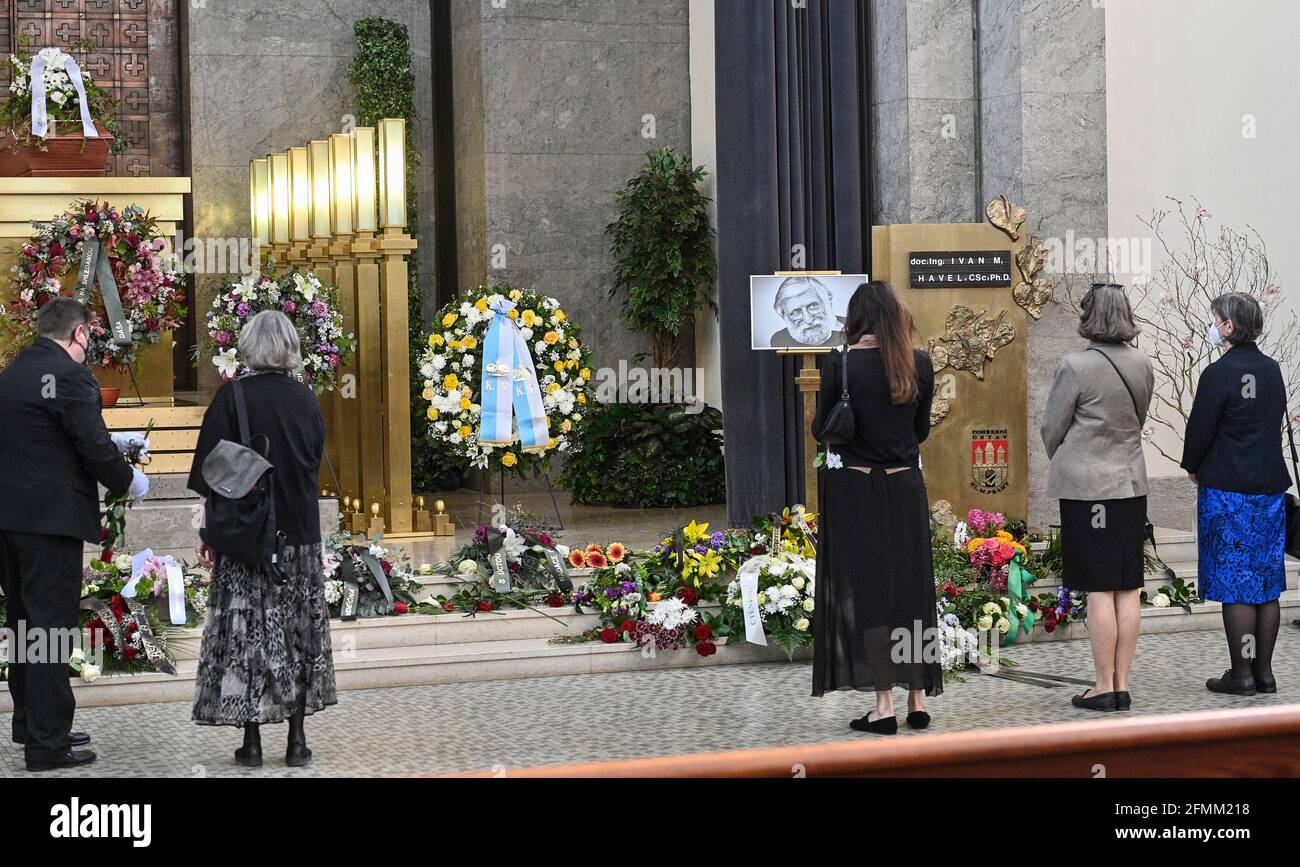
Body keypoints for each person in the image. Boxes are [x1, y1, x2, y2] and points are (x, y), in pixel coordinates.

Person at [0, 298, 149, 771]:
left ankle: (33, 724)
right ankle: (48, 744)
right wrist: (129, 479)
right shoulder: (68, 375)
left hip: (9, 520)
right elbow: (89, 442)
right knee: (49, 631)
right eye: (91, 336)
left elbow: (41, 435)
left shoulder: (16, 370)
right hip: (50, 523)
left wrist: (114, 444)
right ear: (80, 334)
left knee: (26, 626)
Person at [188, 310, 336, 767]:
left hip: (248, 538)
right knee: (298, 635)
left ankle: (251, 743)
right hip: (300, 538)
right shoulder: (306, 399)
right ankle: (296, 741)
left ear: (248, 347)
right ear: (290, 348)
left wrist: (210, 532)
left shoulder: (231, 399)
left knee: (245, 636)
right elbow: (312, 460)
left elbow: (212, 474)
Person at [811, 281, 939, 734]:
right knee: (912, 588)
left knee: (871, 592)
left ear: (857, 319)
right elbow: (920, 432)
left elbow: (820, 429)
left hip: (857, 490)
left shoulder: (840, 364)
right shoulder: (918, 365)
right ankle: (917, 698)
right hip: (906, 488)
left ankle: (883, 705)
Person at [1041, 283, 1153, 713]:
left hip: (1088, 492)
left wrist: (1069, 455)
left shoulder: (1074, 365)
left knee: (1097, 588)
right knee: (1128, 586)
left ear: (1090, 316)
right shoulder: (1143, 363)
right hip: (1129, 486)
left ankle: (1103, 684)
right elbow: (1138, 418)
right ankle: (1122, 683)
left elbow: (1052, 426)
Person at [1180, 293, 1289, 696]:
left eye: (1215, 319)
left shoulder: (1219, 373)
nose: (1213, 325)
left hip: (1228, 489)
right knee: (1265, 581)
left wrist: (1193, 466)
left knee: (1235, 581)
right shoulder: (1273, 369)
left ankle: (1240, 674)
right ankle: (1264, 673)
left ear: (1228, 326)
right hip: (1269, 489)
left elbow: (1201, 428)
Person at [770, 276, 846, 348]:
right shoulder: (779, 341)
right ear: (784, 316)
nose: (808, 320)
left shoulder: (852, 327)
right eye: (796, 312)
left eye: (813, 306)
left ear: (828, 302)